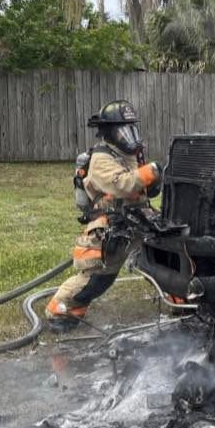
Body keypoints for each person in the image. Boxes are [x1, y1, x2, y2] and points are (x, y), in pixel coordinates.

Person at [45, 100, 162, 333]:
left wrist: (156, 180)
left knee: (165, 254)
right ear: (109, 133)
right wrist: (153, 170)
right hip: (110, 227)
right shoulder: (101, 159)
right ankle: (61, 309)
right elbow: (122, 185)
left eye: (131, 129)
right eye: (122, 130)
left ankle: (180, 298)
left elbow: (143, 188)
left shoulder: (129, 155)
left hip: (137, 219)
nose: (129, 135)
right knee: (99, 278)